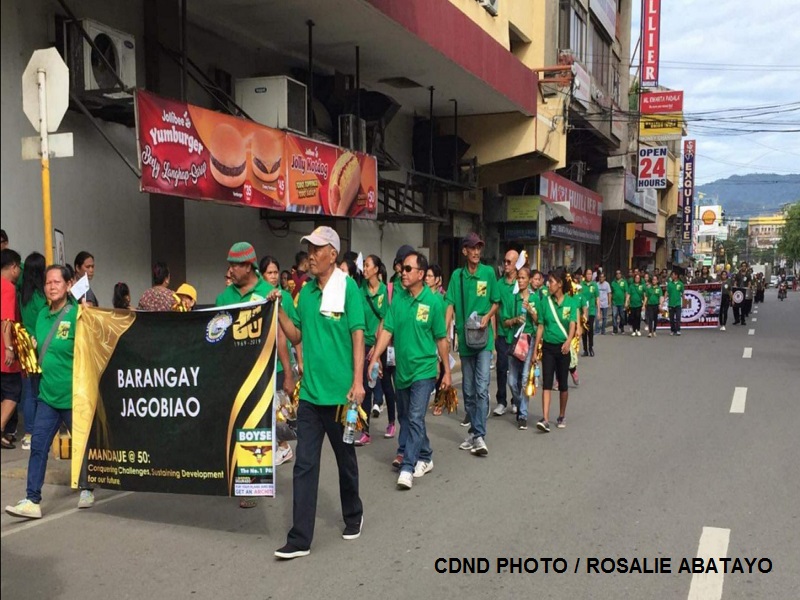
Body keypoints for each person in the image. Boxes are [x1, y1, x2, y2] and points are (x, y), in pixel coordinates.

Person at [268, 226, 365, 559]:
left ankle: (353, 514)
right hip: (310, 394)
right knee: (304, 465)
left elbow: (357, 335)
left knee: (345, 460)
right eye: (308, 249)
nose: (310, 255)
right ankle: (300, 539)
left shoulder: (348, 288)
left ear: (332, 255)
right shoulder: (306, 293)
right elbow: (296, 335)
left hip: (341, 397)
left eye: (317, 249)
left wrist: (358, 381)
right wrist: (280, 310)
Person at [5, 265, 94, 518]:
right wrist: (29, 346)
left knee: (82, 445)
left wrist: (90, 315)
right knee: (38, 447)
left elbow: (93, 346)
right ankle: (32, 500)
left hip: (73, 396)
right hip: (47, 397)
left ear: (68, 285)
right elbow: (38, 346)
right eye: (48, 282)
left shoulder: (78, 314)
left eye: (57, 282)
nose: (52, 286)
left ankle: (87, 488)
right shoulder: (43, 315)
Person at [218, 244, 294, 508]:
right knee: (240, 425)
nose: (230, 270)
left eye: (234, 265)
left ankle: (252, 484)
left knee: (259, 426)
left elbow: (282, 335)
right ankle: (243, 478)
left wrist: (289, 372)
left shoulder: (268, 294)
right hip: (236, 374)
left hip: (266, 373)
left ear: (248, 266)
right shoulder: (224, 298)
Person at [368, 251, 450, 489]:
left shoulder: (433, 302)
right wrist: (375, 357)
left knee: (414, 417)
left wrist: (446, 370)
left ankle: (407, 467)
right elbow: (387, 330)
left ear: (421, 274)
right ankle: (426, 455)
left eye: (407, 269)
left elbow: (441, 338)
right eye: (402, 269)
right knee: (406, 418)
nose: (402, 273)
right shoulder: (398, 300)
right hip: (402, 370)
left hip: (424, 370)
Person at [445, 232, 499, 457]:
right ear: (465, 251)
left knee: (481, 386)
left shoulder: (488, 273)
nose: (476, 252)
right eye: (472, 248)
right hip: (466, 340)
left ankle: (479, 435)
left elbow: (496, 301)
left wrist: (487, 316)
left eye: (479, 248)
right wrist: (444, 333)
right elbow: (449, 305)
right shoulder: (457, 276)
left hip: (484, 340)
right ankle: (474, 432)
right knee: (468, 390)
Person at [533, 268, 577, 433]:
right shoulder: (545, 302)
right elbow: (540, 326)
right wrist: (535, 350)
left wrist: (568, 341)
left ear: (559, 284)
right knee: (547, 382)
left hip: (563, 348)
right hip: (548, 347)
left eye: (551, 282)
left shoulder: (570, 302)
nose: (548, 284)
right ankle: (545, 418)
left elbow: (572, 324)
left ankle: (561, 415)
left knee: (563, 384)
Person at [358, 254, 389, 445]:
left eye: (368, 265)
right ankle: (365, 430)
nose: (365, 269)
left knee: (382, 383)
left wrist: (376, 351)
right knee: (364, 386)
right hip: (363, 343)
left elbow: (384, 319)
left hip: (379, 344)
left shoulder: (385, 291)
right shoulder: (360, 290)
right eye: (364, 265)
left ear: (376, 269)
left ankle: (391, 421)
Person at [18, 252, 48, 450]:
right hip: (38, 346)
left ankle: (28, 433)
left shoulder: (23, 295)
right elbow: (43, 322)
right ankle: (34, 431)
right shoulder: (39, 297)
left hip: (25, 344)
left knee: (29, 391)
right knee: (37, 392)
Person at [506, 266, 536, 430]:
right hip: (515, 340)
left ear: (529, 280)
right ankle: (518, 403)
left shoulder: (535, 298)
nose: (521, 280)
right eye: (519, 278)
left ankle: (523, 414)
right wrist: (515, 320)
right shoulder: (514, 298)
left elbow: (539, 321)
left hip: (529, 340)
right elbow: (505, 321)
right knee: (512, 381)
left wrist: (531, 311)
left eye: (524, 278)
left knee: (524, 378)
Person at [493, 249, 519, 416]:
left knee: (516, 370)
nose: (506, 265)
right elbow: (494, 309)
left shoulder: (521, 283)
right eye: (505, 261)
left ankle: (516, 400)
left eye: (509, 262)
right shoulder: (499, 284)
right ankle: (501, 401)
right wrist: (494, 333)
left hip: (518, 335)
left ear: (516, 264)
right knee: (501, 368)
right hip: (502, 334)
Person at [1, 249, 23, 448]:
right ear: (14, 267)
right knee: (13, 392)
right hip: (3, 352)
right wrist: (9, 347)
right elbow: (6, 320)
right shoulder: (8, 288)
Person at [581, 267, 599, 355]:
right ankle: (585, 350)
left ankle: (590, 347)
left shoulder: (594, 285)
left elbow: (597, 298)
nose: (589, 276)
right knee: (584, 331)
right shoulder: (581, 285)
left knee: (590, 329)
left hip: (591, 310)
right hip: (583, 311)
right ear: (585, 275)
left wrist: (598, 311)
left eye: (590, 274)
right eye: (588, 274)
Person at [667, 271, 685, 335]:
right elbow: (667, 292)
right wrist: (663, 300)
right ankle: (672, 330)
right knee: (671, 319)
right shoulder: (669, 284)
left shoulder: (680, 284)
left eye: (673, 275)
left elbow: (683, 293)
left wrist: (684, 302)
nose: (672, 276)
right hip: (671, 303)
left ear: (676, 276)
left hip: (678, 303)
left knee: (678, 318)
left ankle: (678, 330)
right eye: (671, 275)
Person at [611, 269, 627, 334]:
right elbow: (611, 293)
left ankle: (621, 326)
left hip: (622, 302)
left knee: (622, 316)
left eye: (619, 273)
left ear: (621, 274)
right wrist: (610, 301)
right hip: (614, 302)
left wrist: (626, 301)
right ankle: (615, 329)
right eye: (617, 273)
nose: (618, 275)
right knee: (614, 315)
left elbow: (626, 292)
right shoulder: (613, 283)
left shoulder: (624, 282)